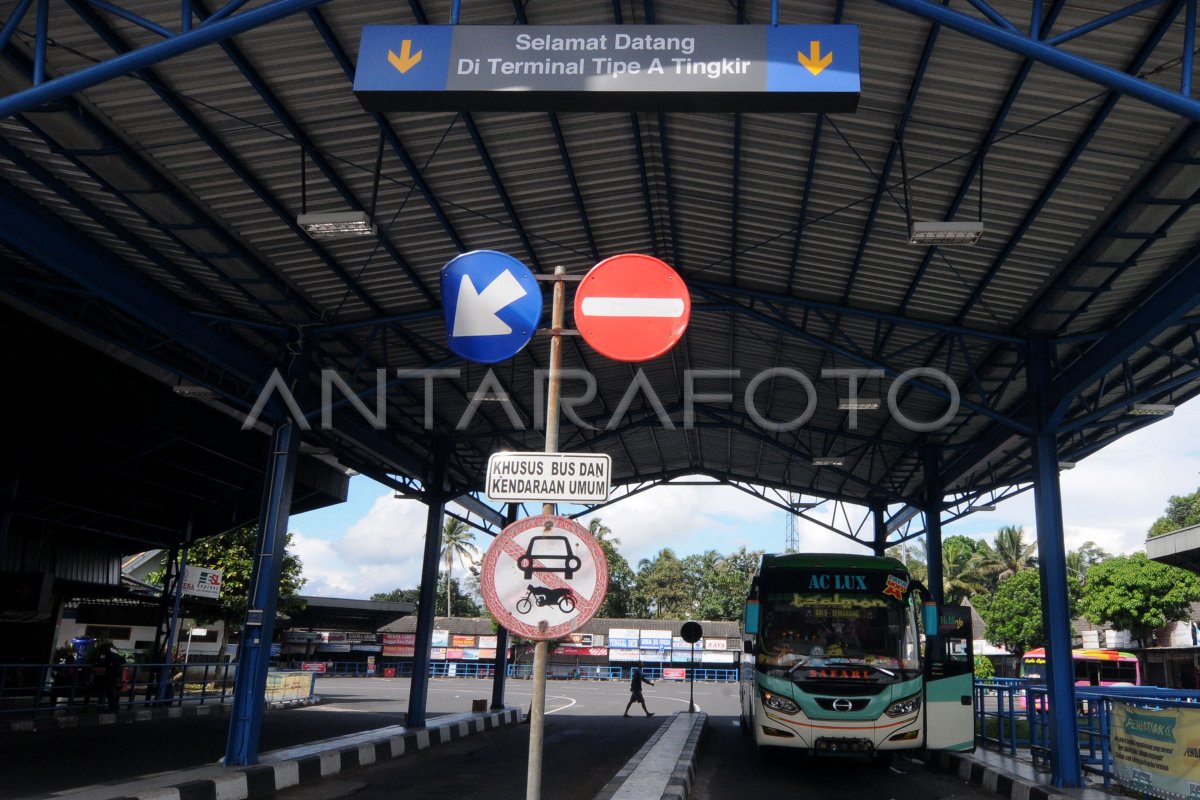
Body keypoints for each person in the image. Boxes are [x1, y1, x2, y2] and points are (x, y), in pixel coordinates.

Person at [93, 642, 125, 712]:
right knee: (112, 693)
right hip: (116, 677)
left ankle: (111, 708)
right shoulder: (116, 655)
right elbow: (123, 661)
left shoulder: (107, 655)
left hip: (108, 677)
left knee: (109, 693)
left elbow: (100, 663)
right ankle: (114, 708)